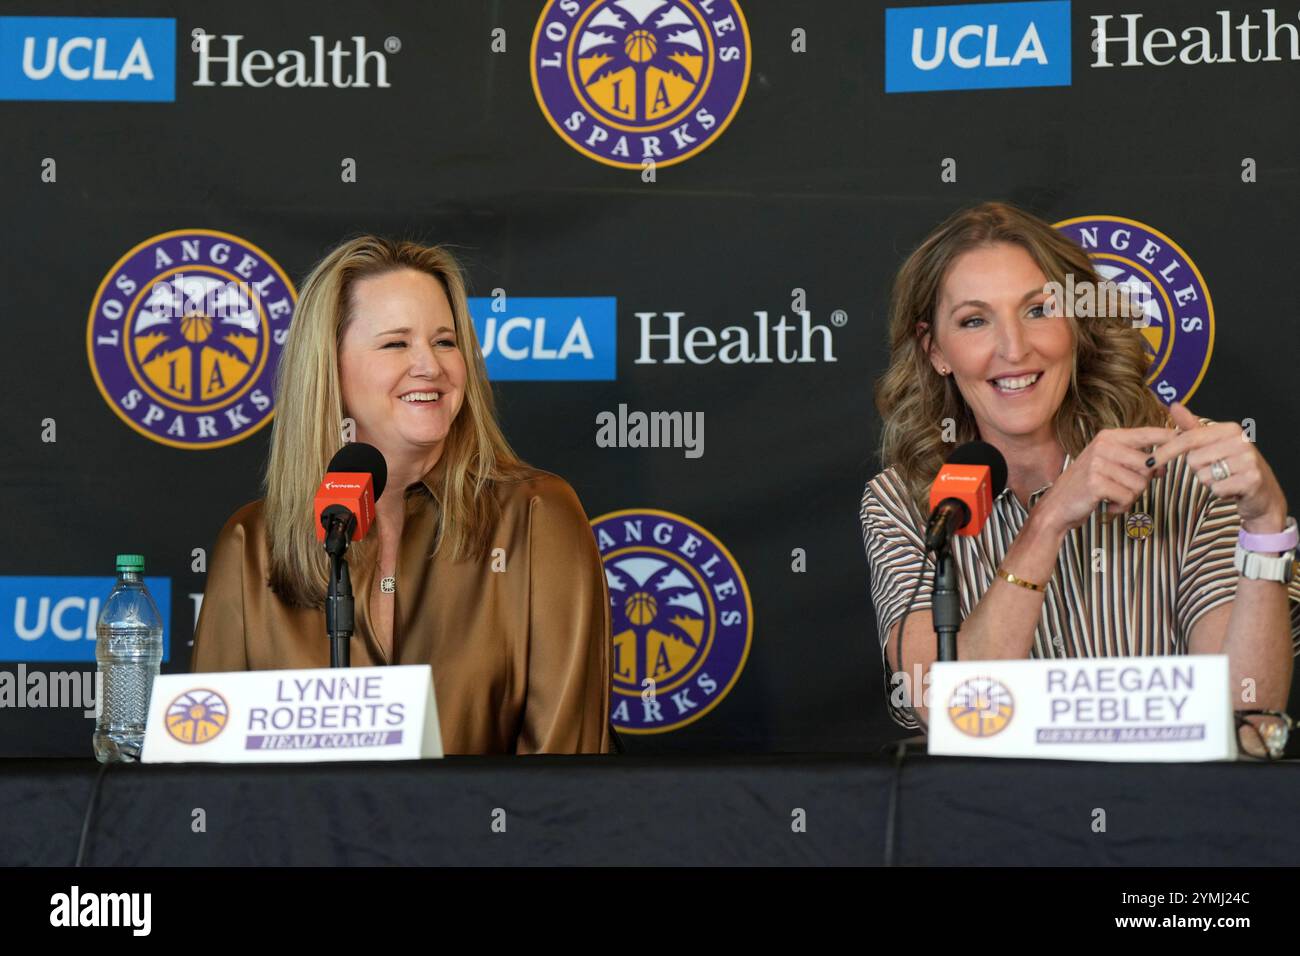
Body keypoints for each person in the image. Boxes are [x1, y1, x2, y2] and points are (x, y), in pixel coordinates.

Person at [861, 201, 1300, 754]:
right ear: (936, 351)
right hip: (995, 826)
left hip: (1168, 817)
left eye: (1039, 310)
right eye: (975, 320)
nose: (1014, 348)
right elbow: (947, 714)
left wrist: (1264, 524)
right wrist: (1048, 522)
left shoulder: (1184, 469)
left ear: (1078, 322)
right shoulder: (907, 501)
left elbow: (1249, 726)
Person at [191, 236, 611, 755]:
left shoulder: (536, 515)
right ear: (329, 367)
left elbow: (568, 772)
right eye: (396, 344)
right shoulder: (251, 542)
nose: (430, 367)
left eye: (444, 341)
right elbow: (208, 765)